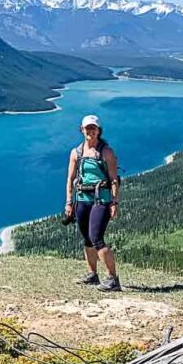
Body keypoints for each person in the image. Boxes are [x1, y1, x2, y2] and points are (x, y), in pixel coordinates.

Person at [64, 114, 122, 292]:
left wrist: (114, 202)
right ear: (81, 130)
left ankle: (113, 279)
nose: (90, 131)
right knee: (87, 238)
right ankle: (92, 274)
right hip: (82, 199)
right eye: (87, 128)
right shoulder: (76, 153)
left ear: (98, 130)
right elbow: (70, 178)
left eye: (93, 128)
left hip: (101, 200)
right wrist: (68, 202)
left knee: (96, 238)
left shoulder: (106, 152)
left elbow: (113, 179)